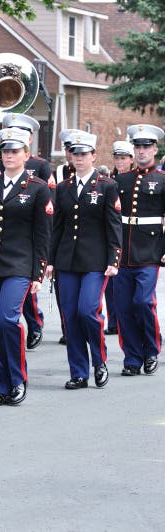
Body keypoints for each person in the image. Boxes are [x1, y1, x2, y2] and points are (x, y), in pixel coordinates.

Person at [0, 127, 52, 406]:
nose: (8, 155)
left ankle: (18, 379)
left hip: (20, 264)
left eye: (14, 151)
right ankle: (0, 385)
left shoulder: (37, 188)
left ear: (26, 155)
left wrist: (39, 272)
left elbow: (43, 233)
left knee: (6, 320)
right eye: (5, 151)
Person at [48, 132, 121, 390]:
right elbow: (57, 227)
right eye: (74, 154)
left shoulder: (106, 186)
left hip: (95, 260)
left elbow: (113, 225)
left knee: (87, 310)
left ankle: (99, 361)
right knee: (70, 315)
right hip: (67, 259)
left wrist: (114, 258)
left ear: (93, 156)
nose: (78, 158)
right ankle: (78, 371)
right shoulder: (64, 187)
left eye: (83, 154)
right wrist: (50, 260)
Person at [114, 125, 165, 376]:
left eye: (146, 146)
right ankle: (132, 357)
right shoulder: (121, 180)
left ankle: (152, 349)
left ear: (155, 149)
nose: (142, 151)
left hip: (150, 251)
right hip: (123, 252)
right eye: (138, 147)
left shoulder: (162, 180)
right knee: (123, 307)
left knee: (143, 302)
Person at [2, 113, 55, 350]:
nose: (10, 154)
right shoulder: (1, 163)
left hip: (28, 234)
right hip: (4, 240)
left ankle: (34, 324)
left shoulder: (41, 166)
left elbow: (47, 201)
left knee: (26, 294)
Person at [104, 140, 135, 337]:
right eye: (117, 158)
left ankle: (126, 320)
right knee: (110, 284)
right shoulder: (109, 180)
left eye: (123, 158)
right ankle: (113, 320)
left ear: (131, 160)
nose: (119, 162)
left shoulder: (134, 180)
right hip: (110, 234)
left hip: (129, 234)